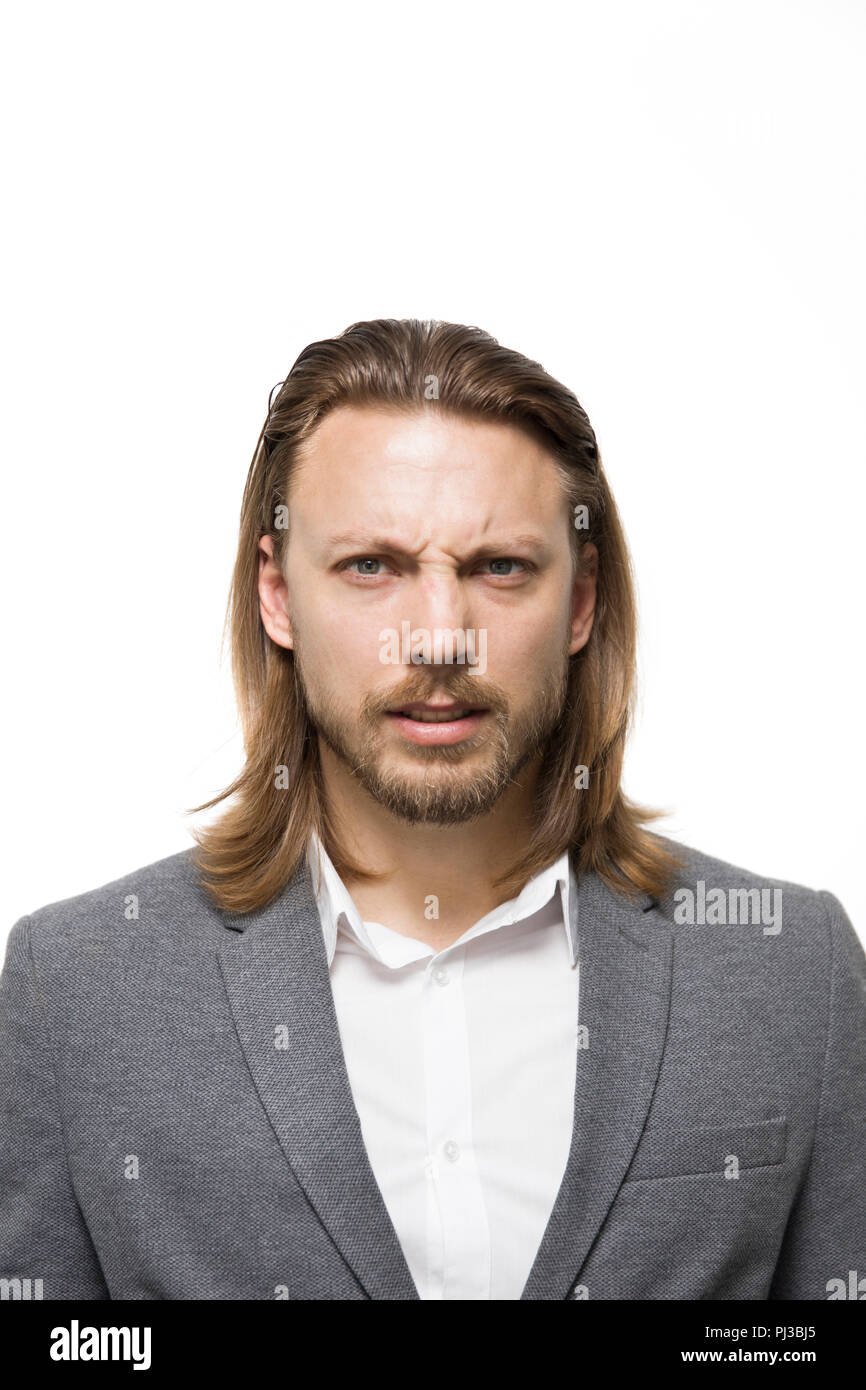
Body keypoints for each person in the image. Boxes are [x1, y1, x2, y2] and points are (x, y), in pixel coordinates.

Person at [2, 318, 864, 1300]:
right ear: (277, 594)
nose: (440, 638)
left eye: (499, 567)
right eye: (371, 565)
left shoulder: (791, 970)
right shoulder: (75, 991)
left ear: (580, 600)